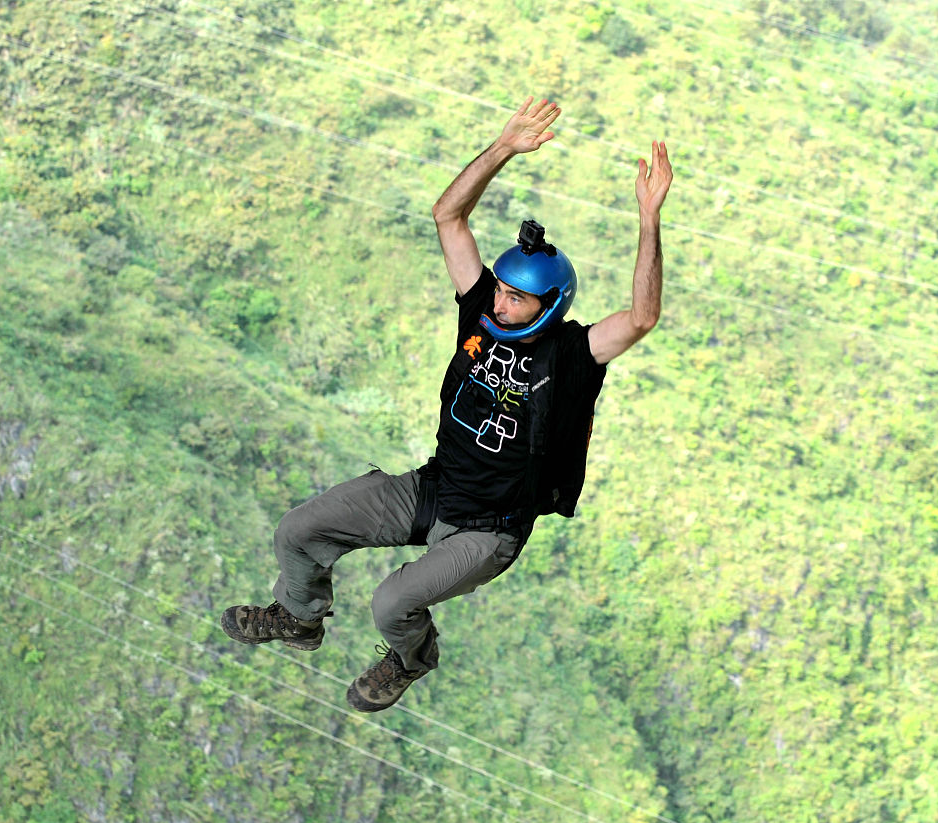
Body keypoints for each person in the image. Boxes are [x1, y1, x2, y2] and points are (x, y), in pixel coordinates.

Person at [221, 96, 673, 712]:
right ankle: (299, 618)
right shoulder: (481, 312)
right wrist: (503, 148)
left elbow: (642, 317)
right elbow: (448, 217)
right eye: (502, 290)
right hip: (433, 489)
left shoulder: (572, 354)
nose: (501, 304)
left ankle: (412, 659)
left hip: (491, 528)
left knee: (392, 603)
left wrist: (649, 218)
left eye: (518, 299)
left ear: (551, 306)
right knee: (299, 530)